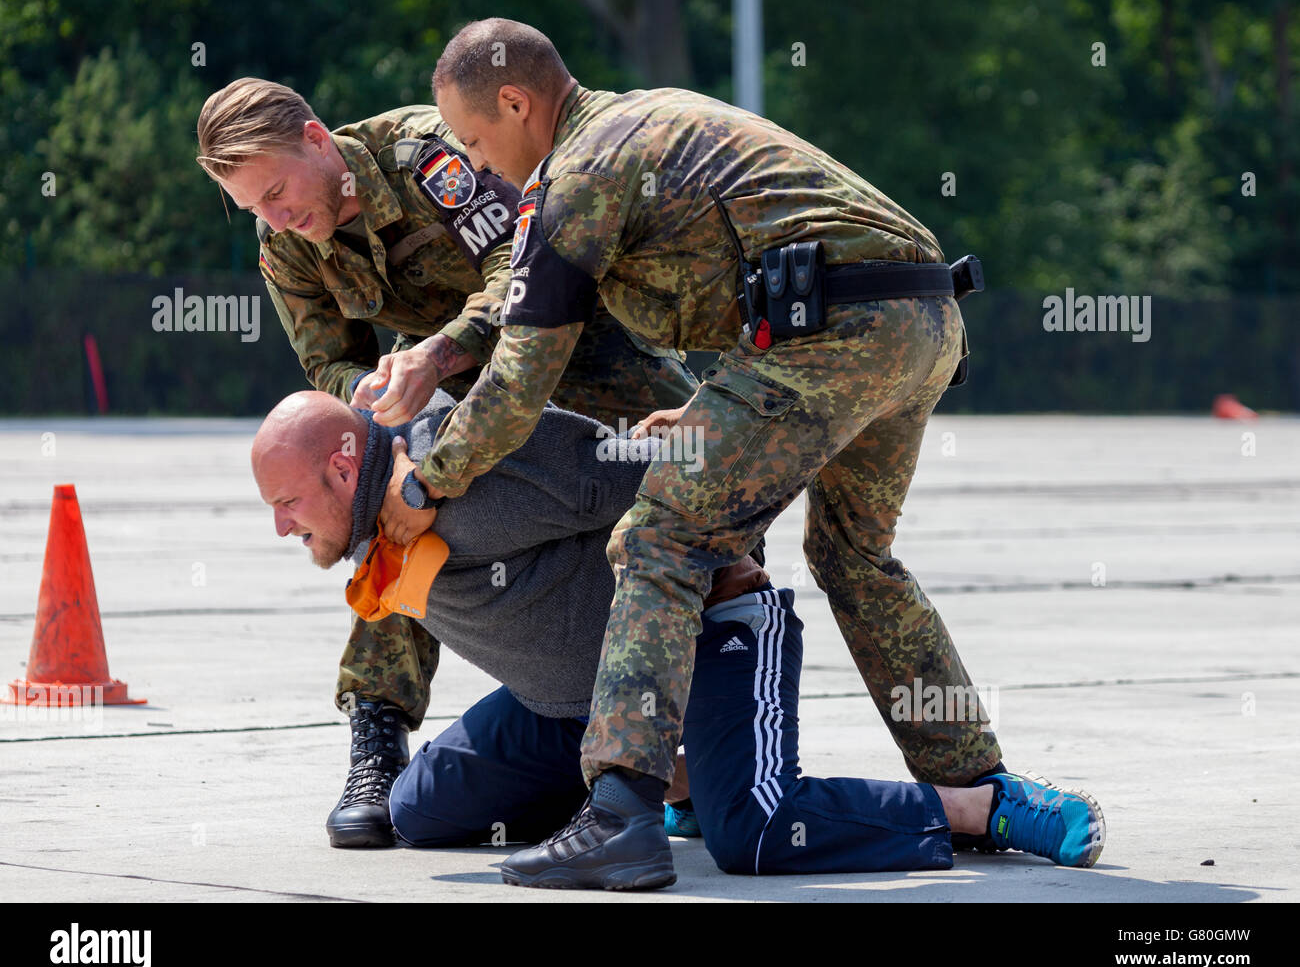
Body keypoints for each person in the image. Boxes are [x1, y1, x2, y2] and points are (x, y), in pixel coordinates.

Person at [378, 17, 1108, 888]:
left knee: (658, 539)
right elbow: (774, 252)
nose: (482, 164)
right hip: (922, 318)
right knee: (855, 558)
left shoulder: (576, 175)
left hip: (837, 337)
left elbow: (519, 381)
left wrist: (426, 481)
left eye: (475, 139)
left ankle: (619, 814)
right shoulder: (655, 115)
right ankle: (977, 786)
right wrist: (707, 406)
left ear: (516, 100)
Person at [250, 389, 1106, 886]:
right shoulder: (382, 525)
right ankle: (671, 784)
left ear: (344, 465)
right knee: (419, 812)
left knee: (755, 835)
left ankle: (981, 808)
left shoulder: (469, 470)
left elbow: (652, 470)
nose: (282, 529)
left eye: (285, 502)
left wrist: (722, 556)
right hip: (571, 709)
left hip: (711, 636)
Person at [195, 77, 698, 847]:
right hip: (449, 402)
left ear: (318, 140)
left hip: (588, 365)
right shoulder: (285, 246)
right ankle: (377, 735)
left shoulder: (430, 158)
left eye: (277, 190)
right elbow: (329, 371)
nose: (275, 217)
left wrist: (437, 352)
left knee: (684, 525)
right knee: (387, 527)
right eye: (253, 207)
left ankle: (695, 751)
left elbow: (524, 269)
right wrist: (368, 401)